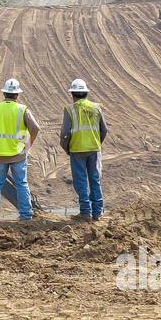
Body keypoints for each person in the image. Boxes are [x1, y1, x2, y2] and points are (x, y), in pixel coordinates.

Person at [0, 77, 40, 221]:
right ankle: (26, 214)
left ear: (4, 94)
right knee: (21, 183)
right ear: (17, 94)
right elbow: (35, 128)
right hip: (18, 154)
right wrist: (28, 146)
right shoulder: (22, 110)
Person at [60, 78, 108, 221]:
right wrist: (97, 143)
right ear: (86, 93)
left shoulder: (70, 109)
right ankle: (98, 212)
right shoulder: (96, 108)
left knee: (80, 181)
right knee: (95, 179)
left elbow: (65, 133)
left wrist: (66, 147)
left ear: (72, 94)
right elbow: (104, 129)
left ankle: (85, 212)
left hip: (77, 150)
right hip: (94, 149)